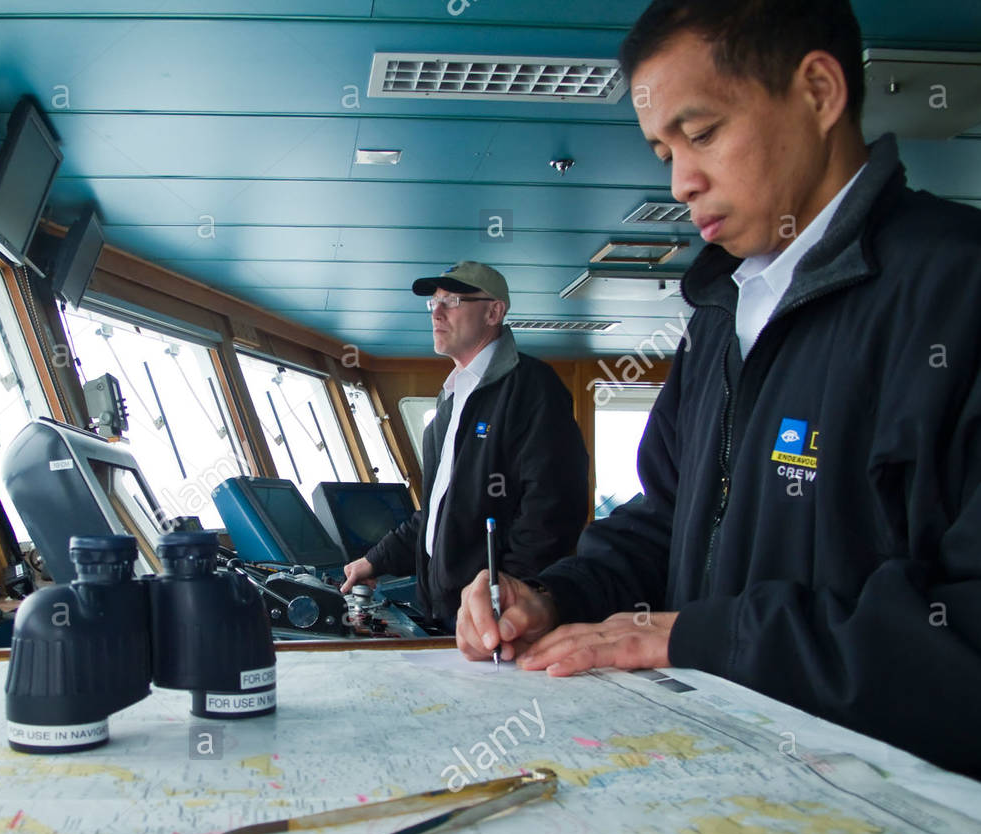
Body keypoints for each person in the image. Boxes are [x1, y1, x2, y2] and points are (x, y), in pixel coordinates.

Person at [456, 0, 981, 780]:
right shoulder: (718, 313)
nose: (682, 179)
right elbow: (666, 520)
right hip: (725, 774)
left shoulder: (957, 286)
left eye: (702, 134)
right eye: (663, 149)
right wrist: (552, 594)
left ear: (818, 92)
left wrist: (699, 638)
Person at [340, 262, 589, 630]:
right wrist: (374, 561)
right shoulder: (451, 399)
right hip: (448, 611)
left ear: (494, 311)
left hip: (497, 615)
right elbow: (437, 516)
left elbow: (553, 508)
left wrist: (508, 592)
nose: (436, 312)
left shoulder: (532, 387)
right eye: (433, 303)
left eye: (452, 301)